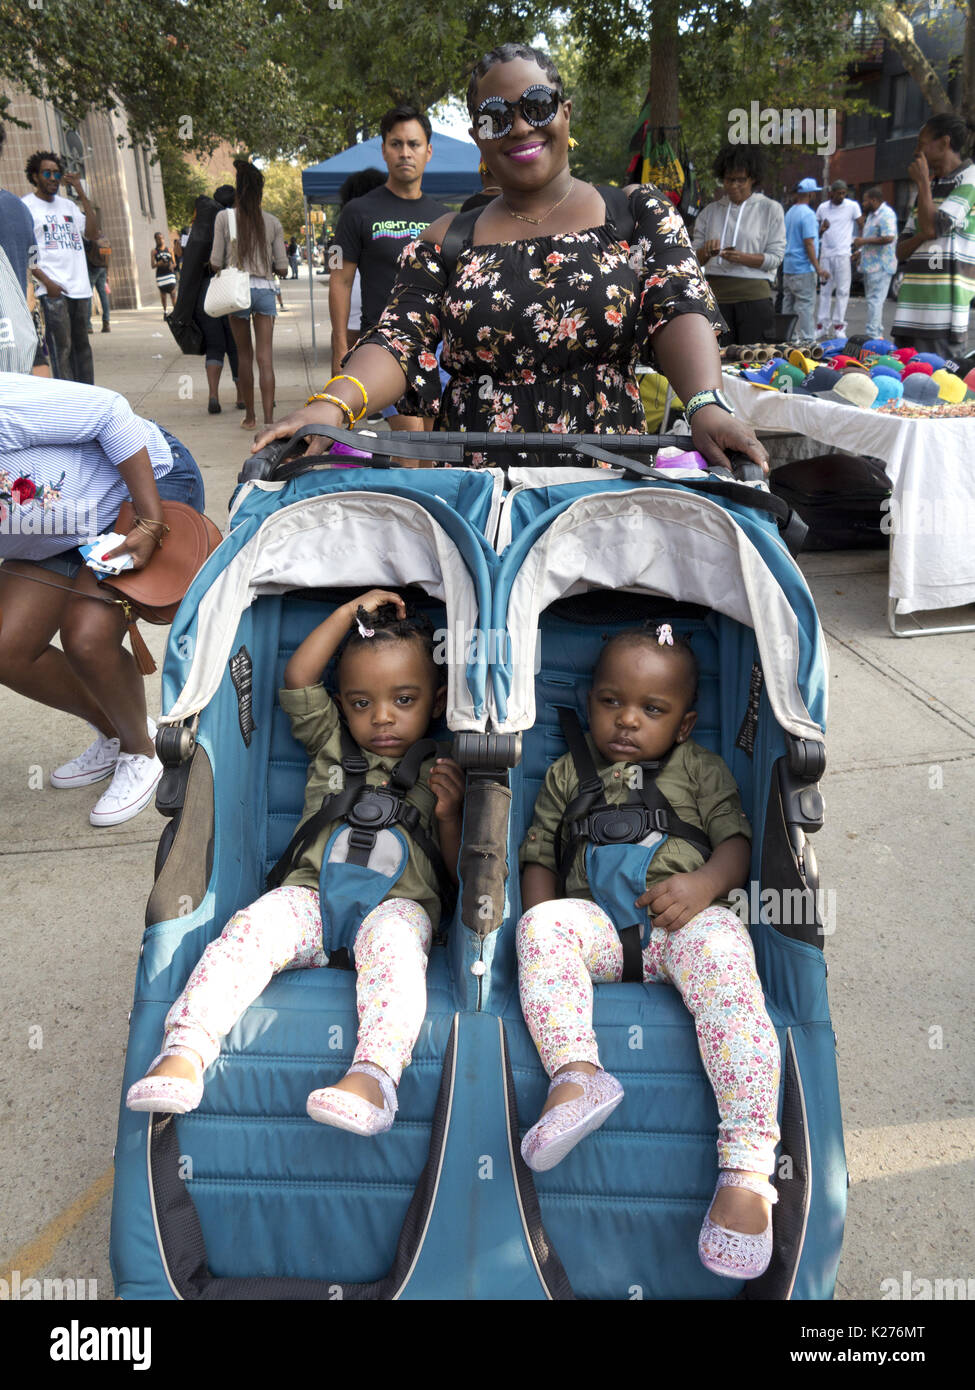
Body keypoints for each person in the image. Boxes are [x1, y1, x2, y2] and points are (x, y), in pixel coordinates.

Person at [255, 44, 767, 475]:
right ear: (479, 136)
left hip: (606, 483)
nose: (520, 126)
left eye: (537, 105)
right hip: (480, 495)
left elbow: (677, 308)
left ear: (566, 112)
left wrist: (706, 404)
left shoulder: (635, 214)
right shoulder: (444, 239)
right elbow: (398, 338)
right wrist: (332, 404)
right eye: (496, 116)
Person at [125, 592, 466, 1133]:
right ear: (341, 704)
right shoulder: (330, 741)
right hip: (310, 895)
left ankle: (374, 1077)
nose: (382, 717)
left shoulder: (443, 767)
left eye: (404, 700)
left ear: (437, 701)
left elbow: (458, 877)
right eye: (360, 703)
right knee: (248, 932)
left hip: (397, 908)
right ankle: (185, 1050)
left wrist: (449, 818)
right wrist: (344, 614)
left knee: (398, 963)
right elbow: (299, 677)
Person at [516, 623, 779, 1279]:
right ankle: (576, 1075)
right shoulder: (563, 774)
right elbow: (537, 858)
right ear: (589, 701)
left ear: (684, 723)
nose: (627, 720)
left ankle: (746, 1170)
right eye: (611, 701)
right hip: (597, 933)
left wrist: (704, 885)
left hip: (680, 927)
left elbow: (736, 844)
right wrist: (538, 920)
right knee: (540, 928)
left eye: (651, 710)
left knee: (726, 957)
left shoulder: (699, 768)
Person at [0, 374, 206, 825]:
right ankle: (119, 732)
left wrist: (150, 521)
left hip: (142, 489)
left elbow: (111, 412)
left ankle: (144, 753)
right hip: (51, 536)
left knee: (86, 636)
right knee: (7, 648)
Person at [329, 106, 449, 434]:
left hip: (438, 349)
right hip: (386, 347)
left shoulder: (444, 216)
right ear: (383, 150)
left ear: (428, 151)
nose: (405, 152)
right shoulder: (357, 212)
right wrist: (341, 345)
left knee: (435, 453)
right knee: (410, 447)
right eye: (396, 144)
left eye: (413, 144)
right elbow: (339, 280)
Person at [210, 158, 288, 430]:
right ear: (260, 191)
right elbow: (282, 266)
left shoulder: (224, 218)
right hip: (265, 291)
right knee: (265, 358)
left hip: (237, 293)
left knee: (244, 356)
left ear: (238, 189)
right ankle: (269, 420)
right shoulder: (272, 222)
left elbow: (215, 262)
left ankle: (250, 417)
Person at [893, 114, 975, 360]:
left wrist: (923, 185)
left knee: (938, 392)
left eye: (922, 143)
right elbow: (901, 249)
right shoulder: (927, 189)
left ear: (943, 143)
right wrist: (922, 235)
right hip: (908, 313)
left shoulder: (970, 179)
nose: (917, 151)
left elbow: (934, 227)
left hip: (942, 319)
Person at [691, 144, 786, 346]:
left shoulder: (770, 209)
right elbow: (692, 260)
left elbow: (776, 258)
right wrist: (706, 252)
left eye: (740, 180)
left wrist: (741, 257)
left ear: (752, 178)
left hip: (754, 299)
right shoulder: (710, 212)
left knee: (752, 361)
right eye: (729, 180)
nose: (734, 185)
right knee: (717, 361)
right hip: (716, 300)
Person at [22, 151, 97, 383]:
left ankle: (89, 397)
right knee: (62, 350)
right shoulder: (27, 206)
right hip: (54, 289)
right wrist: (48, 283)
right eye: (47, 173)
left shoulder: (69, 206)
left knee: (82, 348)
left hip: (80, 288)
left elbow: (92, 233)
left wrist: (81, 193)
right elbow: (28, 250)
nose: (53, 178)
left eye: (57, 173)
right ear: (35, 176)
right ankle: (69, 402)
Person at [332, 168, 386, 363]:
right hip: (376, 301)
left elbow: (334, 263)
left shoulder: (344, 223)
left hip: (350, 299)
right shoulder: (382, 220)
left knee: (345, 364)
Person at [781, 177, 829, 344]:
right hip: (803, 267)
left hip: (788, 267)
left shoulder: (790, 212)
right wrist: (818, 268)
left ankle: (788, 338)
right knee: (805, 306)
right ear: (809, 194)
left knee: (788, 305)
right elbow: (808, 243)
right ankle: (808, 341)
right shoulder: (808, 214)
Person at [814, 179, 862, 338]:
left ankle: (839, 326)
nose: (841, 196)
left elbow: (862, 225)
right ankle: (822, 325)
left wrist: (859, 248)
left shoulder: (852, 206)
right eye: (838, 193)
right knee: (825, 291)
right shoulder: (822, 208)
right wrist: (822, 230)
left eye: (844, 193)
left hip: (843, 254)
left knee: (842, 290)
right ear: (831, 193)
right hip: (826, 254)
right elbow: (815, 233)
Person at [852, 185, 898, 341]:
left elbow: (889, 237)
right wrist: (859, 252)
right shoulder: (872, 215)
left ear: (874, 200)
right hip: (870, 265)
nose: (863, 204)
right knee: (873, 300)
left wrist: (863, 241)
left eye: (865, 201)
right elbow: (873, 239)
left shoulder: (886, 214)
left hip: (881, 265)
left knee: (875, 300)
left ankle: (873, 334)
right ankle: (876, 331)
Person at [85, 232, 112, 332]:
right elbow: (108, 257)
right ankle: (106, 323)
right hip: (103, 269)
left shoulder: (89, 238)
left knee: (88, 296)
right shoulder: (106, 240)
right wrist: (107, 272)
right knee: (103, 295)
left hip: (92, 268)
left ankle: (88, 326)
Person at [151, 232, 177, 316]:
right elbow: (152, 265)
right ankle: (165, 312)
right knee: (163, 294)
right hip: (161, 276)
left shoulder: (169, 250)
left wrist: (171, 265)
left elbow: (174, 263)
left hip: (170, 274)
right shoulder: (154, 251)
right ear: (155, 240)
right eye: (158, 238)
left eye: (162, 238)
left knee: (173, 293)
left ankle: (176, 312)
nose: (161, 240)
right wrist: (159, 263)